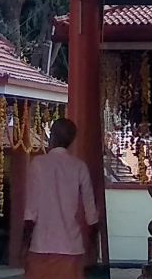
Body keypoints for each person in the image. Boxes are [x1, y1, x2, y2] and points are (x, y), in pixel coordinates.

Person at [21, 118, 98, 279]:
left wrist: (24, 244)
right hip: (71, 246)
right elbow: (91, 214)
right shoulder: (79, 166)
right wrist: (93, 247)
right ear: (72, 140)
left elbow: (31, 212)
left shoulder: (38, 164)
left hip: (41, 245)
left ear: (52, 136)